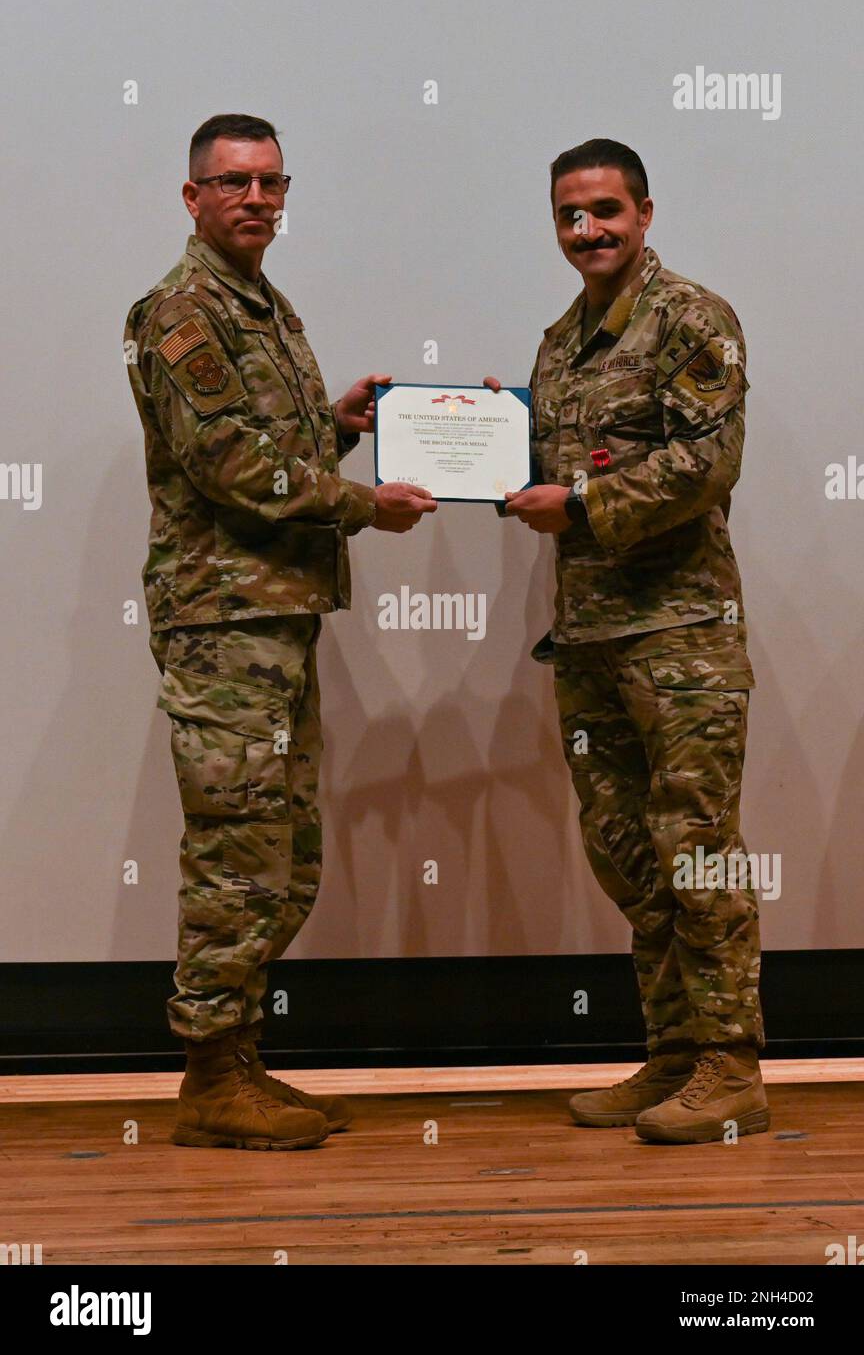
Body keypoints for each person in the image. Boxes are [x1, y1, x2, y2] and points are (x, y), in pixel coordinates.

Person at [124, 113, 436, 1150]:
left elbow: (271, 443)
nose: (256, 200)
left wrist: (338, 426)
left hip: (275, 616)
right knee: (236, 852)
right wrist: (364, 503)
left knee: (284, 853)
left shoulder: (262, 306)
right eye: (233, 183)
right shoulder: (177, 311)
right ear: (193, 197)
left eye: (270, 182)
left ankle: (241, 1060)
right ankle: (210, 1076)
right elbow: (231, 466)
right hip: (226, 624)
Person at [504, 138, 768, 1144]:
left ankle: (732, 1065)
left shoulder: (694, 319)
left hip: (682, 637)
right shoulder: (562, 340)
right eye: (570, 215)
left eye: (606, 210)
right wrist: (487, 430)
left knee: (697, 851)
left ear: (646, 213)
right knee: (629, 859)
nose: (588, 231)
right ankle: (671, 1054)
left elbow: (708, 462)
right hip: (592, 640)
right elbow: (557, 463)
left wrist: (579, 501)